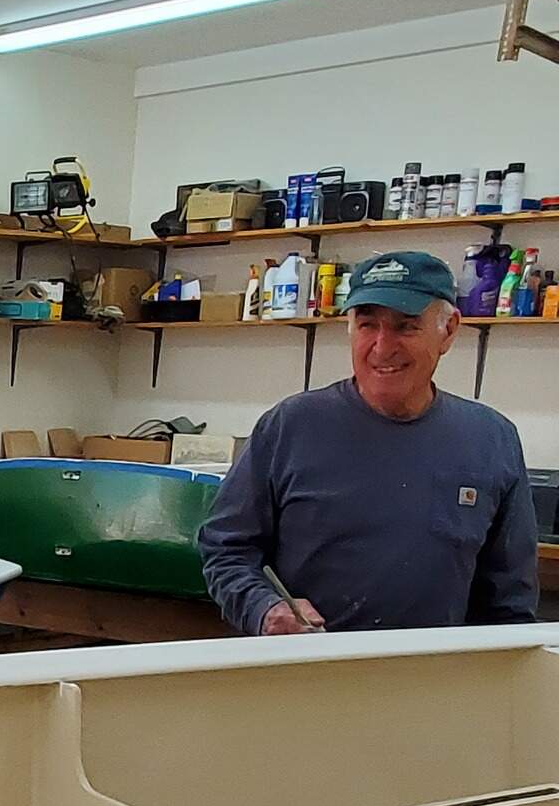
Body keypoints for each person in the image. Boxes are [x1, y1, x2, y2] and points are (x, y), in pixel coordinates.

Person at [199, 249, 538, 635]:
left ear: (449, 330)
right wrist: (263, 607)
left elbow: (510, 602)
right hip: (304, 678)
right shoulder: (290, 427)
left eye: (406, 326)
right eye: (367, 325)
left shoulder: (492, 440)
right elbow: (225, 549)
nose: (382, 346)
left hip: (433, 683)